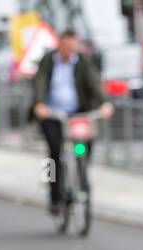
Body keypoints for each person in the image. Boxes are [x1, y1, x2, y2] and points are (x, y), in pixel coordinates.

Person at [30, 30, 113, 216]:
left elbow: (93, 82)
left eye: (73, 47)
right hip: (52, 115)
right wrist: (39, 104)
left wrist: (104, 103)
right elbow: (40, 82)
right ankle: (54, 196)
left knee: (84, 144)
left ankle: (82, 172)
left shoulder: (82, 61)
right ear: (60, 45)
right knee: (54, 153)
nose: (70, 52)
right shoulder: (48, 61)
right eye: (67, 47)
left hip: (77, 113)